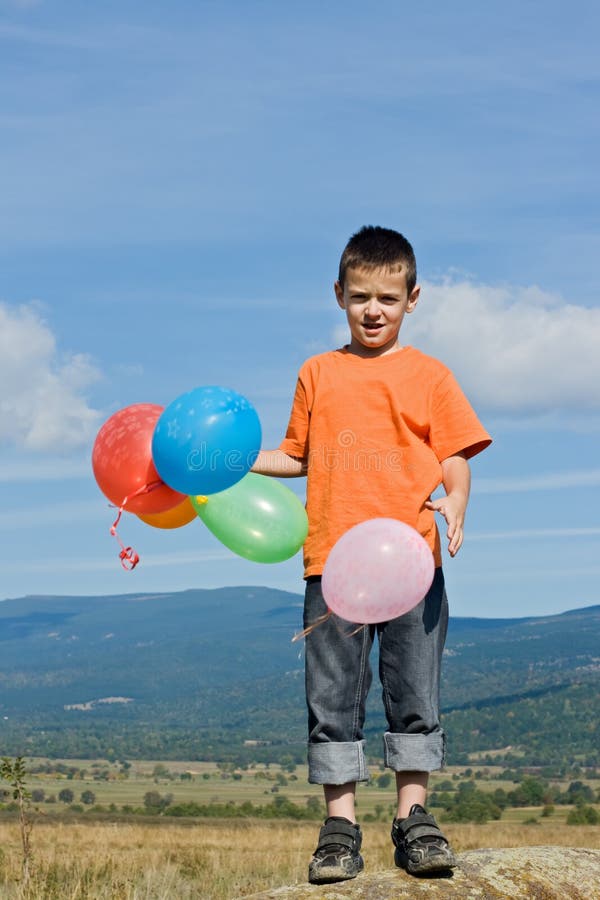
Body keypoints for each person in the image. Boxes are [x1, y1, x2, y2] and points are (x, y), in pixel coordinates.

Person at [252, 225, 491, 883]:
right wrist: (240, 461)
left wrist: (457, 500)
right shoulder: (317, 373)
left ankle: (414, 819)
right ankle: (340, 828)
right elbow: (294, 455)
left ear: (413, 298)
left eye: (388, 296)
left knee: (414, 692)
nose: (374, 309)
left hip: (413, 562)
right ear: (338, 295)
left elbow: (454, 454)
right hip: (332, 563)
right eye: (360, 297)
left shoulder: (430, 375)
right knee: (333, 697)